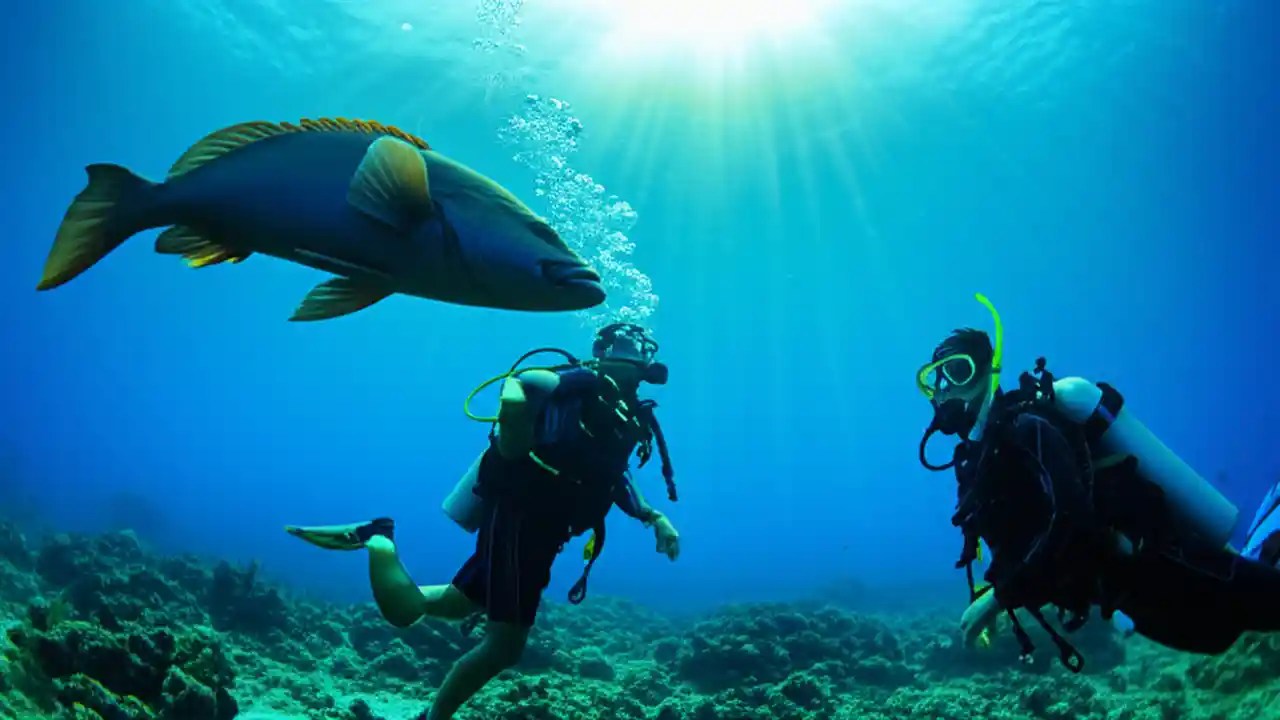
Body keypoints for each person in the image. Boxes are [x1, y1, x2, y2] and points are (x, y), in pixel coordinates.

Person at [284, 323, 682, 719]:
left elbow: (614, 475)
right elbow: (530, 380)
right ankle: (431, 710)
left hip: (544, 530)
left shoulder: (626, 415)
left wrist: (653, 516)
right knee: (504, 646)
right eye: (623, 346)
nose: (632, 356)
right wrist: (519, 398)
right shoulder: (581, 383)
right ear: (602, 350)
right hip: (523, 519)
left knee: (457, 603)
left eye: (639, 348)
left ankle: (377, 538)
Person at [915, 293, 1280, 672]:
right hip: (1127, 597)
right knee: (1219, 633)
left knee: (1263, 602)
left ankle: (1270, 531)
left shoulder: (1028, 429)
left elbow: (1072, 516)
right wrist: (994, 590)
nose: (943, 388)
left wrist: (998, 599)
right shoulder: (978, 467)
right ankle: (1267, 540)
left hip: (1165, 565)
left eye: (957, 371)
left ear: (988, 372)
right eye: (933, 379)